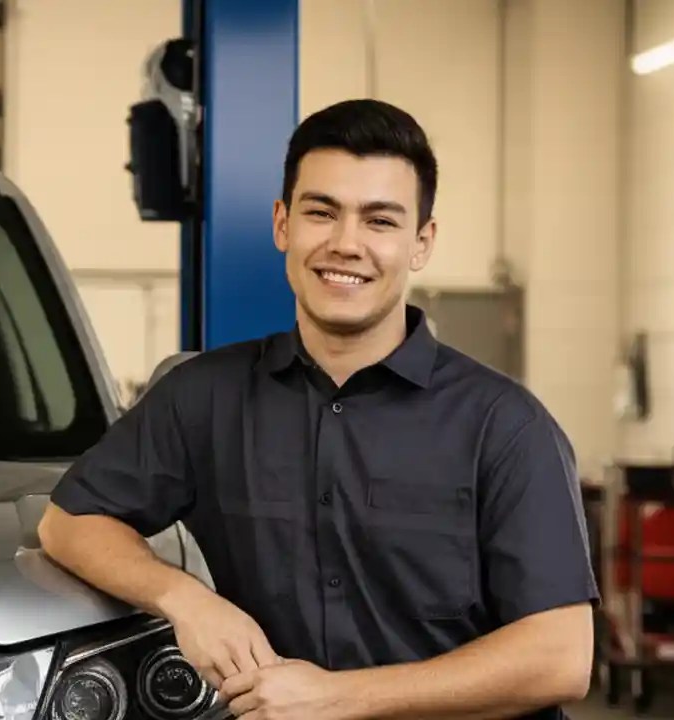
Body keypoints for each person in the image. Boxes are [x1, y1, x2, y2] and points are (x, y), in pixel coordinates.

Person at [37, 98, 598, 720]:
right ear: (283, 224)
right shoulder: (206, 397)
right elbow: (69, 523)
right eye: (321, 212)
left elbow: (560, 657)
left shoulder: (505, 425)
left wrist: (338, 697)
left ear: (421, 242)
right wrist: (184, 599)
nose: (346, 244)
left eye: (379, 221)